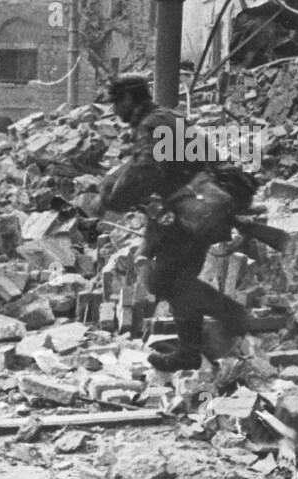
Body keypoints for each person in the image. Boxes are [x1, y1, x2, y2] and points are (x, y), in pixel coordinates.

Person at [98, 75, 249, 373]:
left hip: (191, 211)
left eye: (117, 102)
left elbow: (147, 169)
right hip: (199, 207)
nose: (116, 110)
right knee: (177, 279)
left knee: (163, 280)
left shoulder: (152, 125)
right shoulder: (163, 118)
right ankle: (190, 352)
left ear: (130, 99)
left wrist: (113, 198)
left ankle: (232, 315)